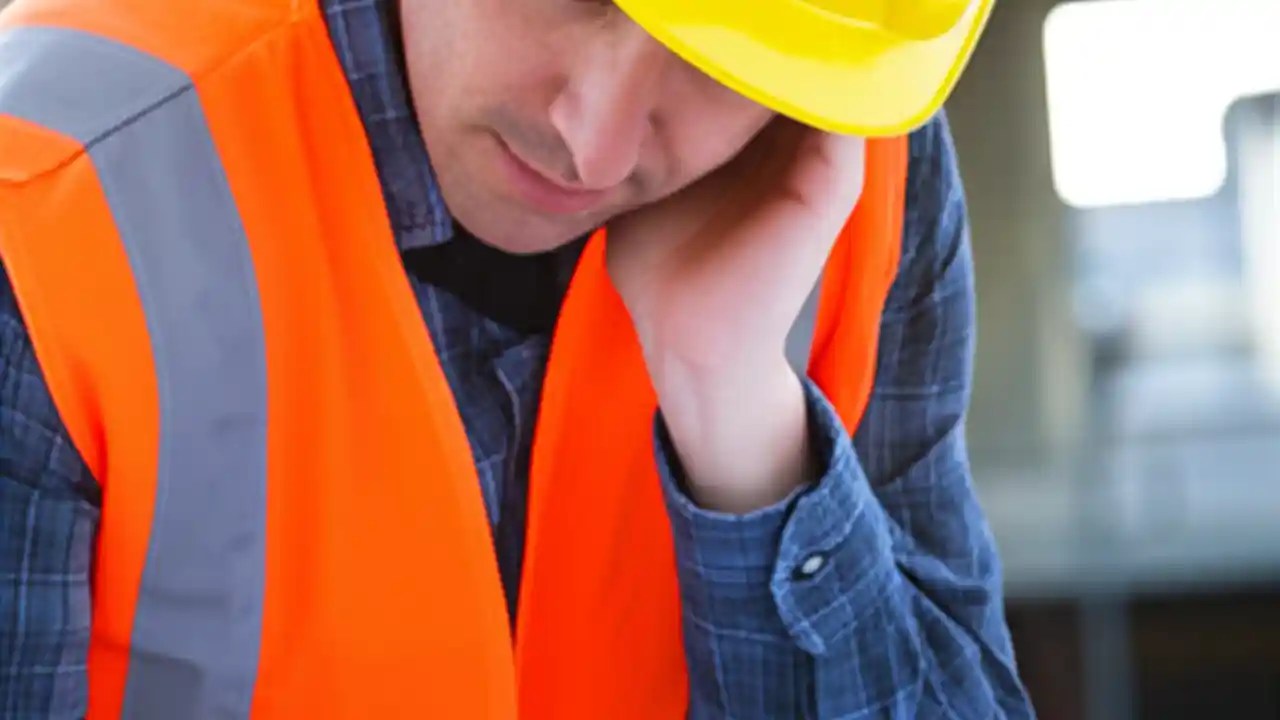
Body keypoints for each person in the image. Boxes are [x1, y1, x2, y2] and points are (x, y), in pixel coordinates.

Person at [0, 0, 1033, 717]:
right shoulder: (52, 190)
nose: (592, 141)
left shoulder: (846, 187)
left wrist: (741, 428)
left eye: (718, 63)